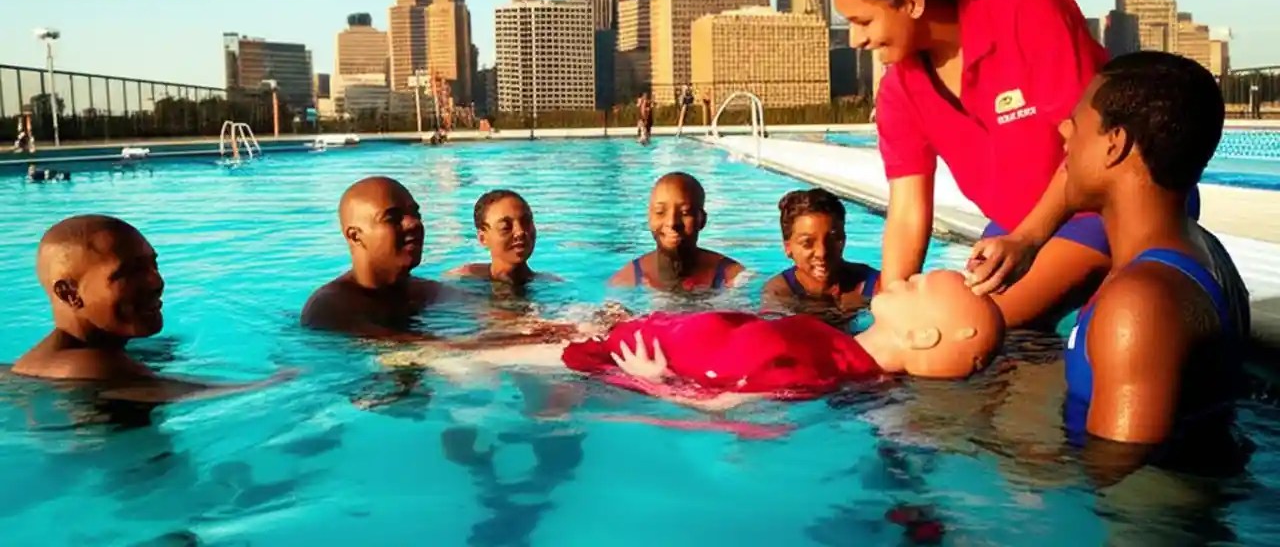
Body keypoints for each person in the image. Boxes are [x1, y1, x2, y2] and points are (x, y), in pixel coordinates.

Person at [829, 0, 1120, 330]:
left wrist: (1029, 239)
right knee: (922, 335)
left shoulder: (1026, 12)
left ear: (912, 3)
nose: (856, 40)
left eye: (863, 21)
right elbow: (909, 209)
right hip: (1014, 227)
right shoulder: (900, 90)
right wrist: (891, 313)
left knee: (966, 329)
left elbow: (1090, 146)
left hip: (1097, 209)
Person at [381, 270, 1004, 413]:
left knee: (478, 355)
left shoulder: (829, 374)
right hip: (639, 335)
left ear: (923, 335)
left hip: (626, 359)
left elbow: (725, 406)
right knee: (512, 339)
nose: (912, 275)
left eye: (924, 284)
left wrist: (653, 383)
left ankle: (417, 363)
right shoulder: (840, 349)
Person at [1058, 51, 1249, 447]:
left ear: (1116, 144)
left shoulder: (1139, 303)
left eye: (1077, 124)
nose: (1063, 132)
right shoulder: (1201, 251)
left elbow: (1122, 486)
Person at [10, 215, 295, 402]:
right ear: (69, 293)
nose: (157, 282)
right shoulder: (88, 365)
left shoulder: (60, 359)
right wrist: (290, 377)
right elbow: (203, 394)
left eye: (153, 265)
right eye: (129, 272)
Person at [302, 176, 461, 339]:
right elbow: (405, 350)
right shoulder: (330, 309)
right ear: (356, 236)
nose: (414, 223)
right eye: (392, 218)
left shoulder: (425, 292)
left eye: (415, 213)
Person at [761, 188, 879, 331]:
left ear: (844, 238)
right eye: (807, 243)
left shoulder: (872, 283)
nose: (822, 252)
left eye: (833, 239)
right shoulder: (780, 292)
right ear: (788, 247)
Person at [608, 172, 744, 291]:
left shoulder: (733, 277)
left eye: (685, 213)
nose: (672, 222)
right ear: (649, 219)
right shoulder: (627, 280)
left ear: (702, 219)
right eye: (660, 212)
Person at [447, 189, 561, 292]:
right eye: (506, 227)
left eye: (526, 222)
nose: (520, 231)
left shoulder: (551, 286)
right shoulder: (463, 278)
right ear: (482, 238)